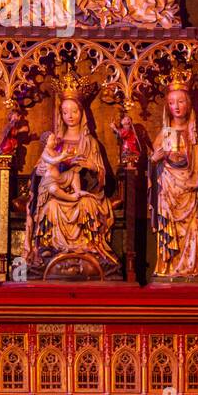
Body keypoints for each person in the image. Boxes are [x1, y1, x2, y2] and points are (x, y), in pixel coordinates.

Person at [27, 83, 119, 274]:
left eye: (74, 111)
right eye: (65, 111)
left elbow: (102, 175)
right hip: (58, 193)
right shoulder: (55, 142)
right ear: (61, 114)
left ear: (82, 113)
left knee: (87, 204)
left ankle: (89, 250)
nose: (70, 115)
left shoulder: (90, 142)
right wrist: (41, 170)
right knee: (51, 206)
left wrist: (90, 166)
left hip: (85, 191)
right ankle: (53, 250)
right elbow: (39, 171)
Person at [148, 80, 198, 279]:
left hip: (190, 191)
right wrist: (154, 160)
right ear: (167, 107)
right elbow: (153, 162)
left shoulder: (194, 134)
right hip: (169, 192)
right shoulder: (164, 133)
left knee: (195, 227)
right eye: (172, 103)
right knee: (171, 233)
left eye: (180, 102)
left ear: (188, 104)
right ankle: (169, 267)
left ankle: (195, 268)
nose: (176, 107)